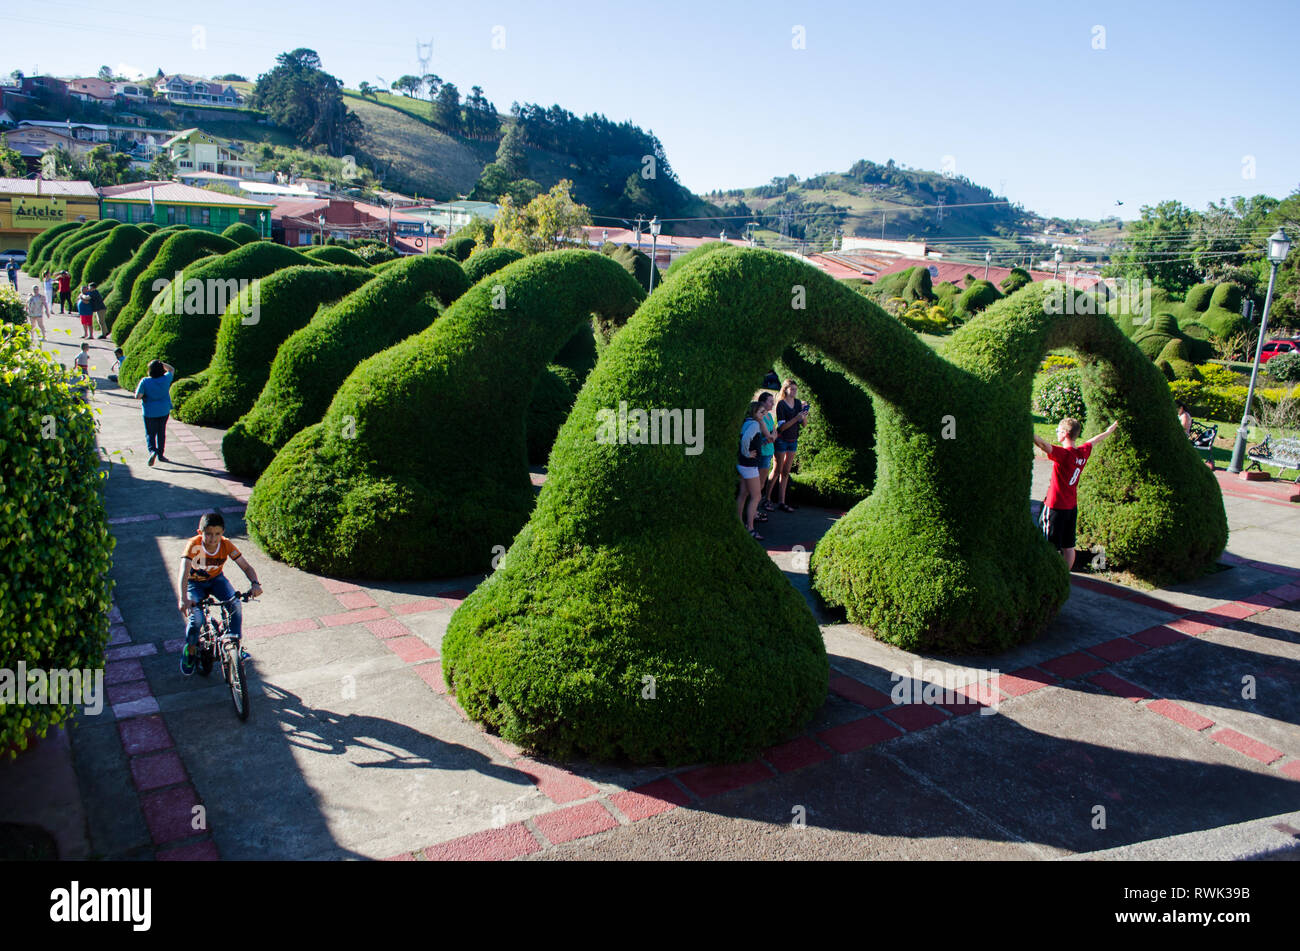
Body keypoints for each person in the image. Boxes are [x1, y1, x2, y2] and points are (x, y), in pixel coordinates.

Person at [177, 511, 263, 677]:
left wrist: (255, 584)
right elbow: (183, 572)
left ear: (222, 533)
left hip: (216, 580)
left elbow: (246, 566)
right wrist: (183, 598)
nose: (213, 538)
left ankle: (235, 644)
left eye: (217, 534)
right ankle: (191, 649)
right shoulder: (193, 545)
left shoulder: (226, 545)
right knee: (197, 619)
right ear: (200, 533)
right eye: (208, 534)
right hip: (194, 584)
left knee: (235, 604)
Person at [1033, 416, 1119, 570]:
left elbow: (1042, 444)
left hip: (1055, 507)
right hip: (1071, 507)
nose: (1057, 433)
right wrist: (1108, 431)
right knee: (1068, 546)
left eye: (1058, 430)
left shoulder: (1064, 455)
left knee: (1048, 545)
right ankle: (1065, 576)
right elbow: (1093, 440)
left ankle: (1048, 576)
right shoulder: (1082, 453)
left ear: (1065, 433)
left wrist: (1027, 428)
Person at [771, 379, 810, 513]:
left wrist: (804, 415)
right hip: (782, 440)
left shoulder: (798, 403)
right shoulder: (781, 404)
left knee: (786, 471)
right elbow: (781, 428)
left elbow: (804, 425)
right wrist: (796, 418)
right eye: (792, 389)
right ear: (785, 389)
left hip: (793, 440)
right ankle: (767, 499)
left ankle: (782, 501)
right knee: (777, 470)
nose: (794, 391)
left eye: (795, 389)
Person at [134, 358, 175, 466]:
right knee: (161, 432)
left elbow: (137, 396)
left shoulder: (145, 381)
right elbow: (171, 369)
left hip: (149, 411)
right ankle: (161, 454)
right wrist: (161, 363)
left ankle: (153, 451)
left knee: (150, 433)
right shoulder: (166, 379)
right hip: (164, 410)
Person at [736, 400, 767, 540]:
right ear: (754, 412)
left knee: (743, 494)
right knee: (756, 496)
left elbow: (749, 439)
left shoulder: (747, 422)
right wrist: (747, 453)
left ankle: (739, 523)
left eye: (764, 412)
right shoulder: (755, 424)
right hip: (749, 465)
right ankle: (750, 528)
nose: (764, 414)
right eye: (761, 412)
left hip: (742, 464)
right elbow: (746, 440)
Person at [753, 389, 779, 516]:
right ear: (762, 403)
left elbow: (775, 433)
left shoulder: (769, 416)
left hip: (769, 451)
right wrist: (771, 437)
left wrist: (772, 436)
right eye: (770, 402)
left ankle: (755, 510)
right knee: (759, 484)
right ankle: (754, 511)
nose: (772, 404)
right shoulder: (761, 418)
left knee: (761, 484)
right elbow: (769, 436)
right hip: (762, 454)